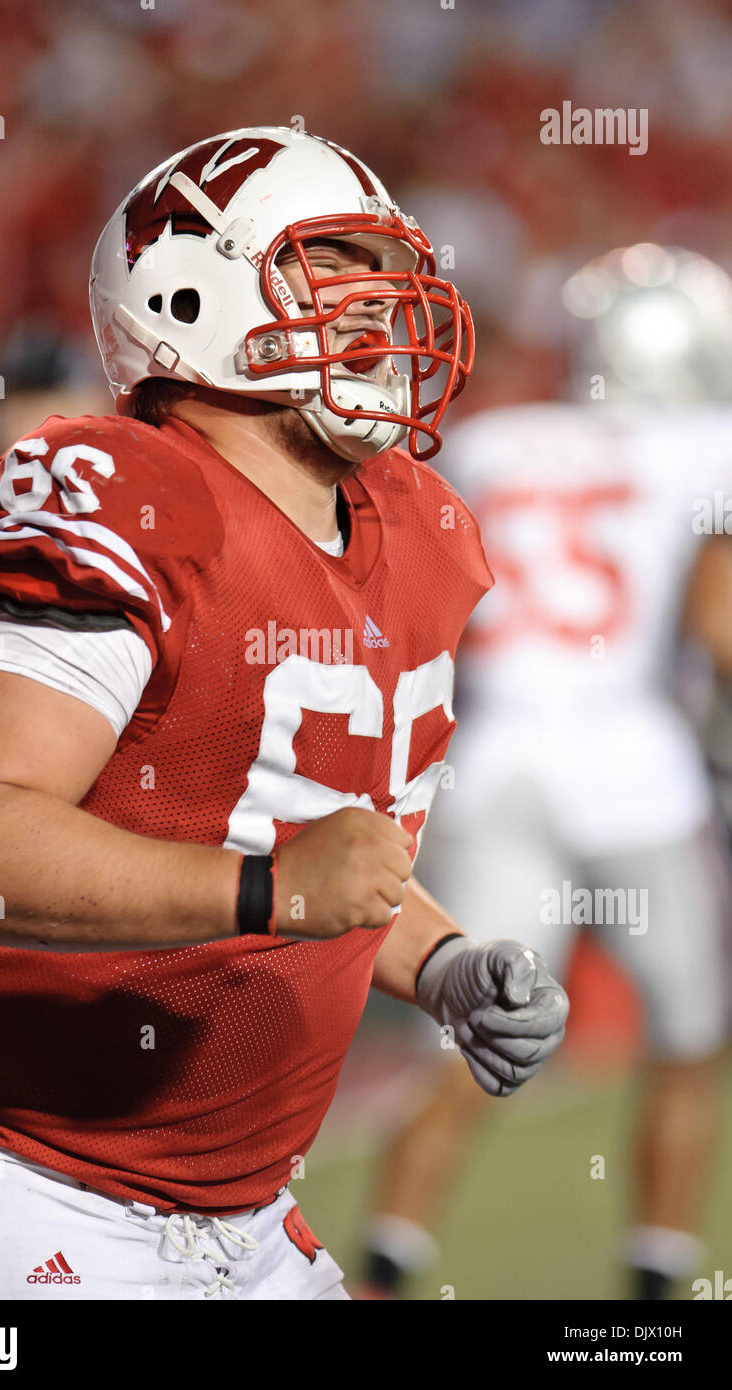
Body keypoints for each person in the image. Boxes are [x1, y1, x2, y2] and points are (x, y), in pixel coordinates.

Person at [0, 126, 567, 1301]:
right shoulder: (128, 497)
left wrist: (439, 960)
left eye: (382, 269)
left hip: (245, 1207)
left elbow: (311, 836)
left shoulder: (422, 525)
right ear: (187, 292)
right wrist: (275, 889)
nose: (380, 308)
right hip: (20, 1178)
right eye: (328, 266)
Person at [358, 244, 732, 1301]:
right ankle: (656, 1290)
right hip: (635, 767)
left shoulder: (495, 445)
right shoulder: (707, 447)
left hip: (495, 760)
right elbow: (715, 625)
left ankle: (385, 1265)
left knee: (468, 1034)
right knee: (686, 1039)